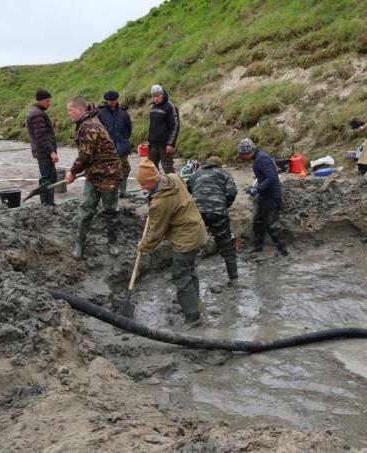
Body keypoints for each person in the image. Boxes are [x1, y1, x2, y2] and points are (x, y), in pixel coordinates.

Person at [136, 159, 208, 330]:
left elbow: (156, 233)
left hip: (186, 238)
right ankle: (194, 303)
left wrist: (143, 246)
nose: (142, 188)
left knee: (180, 274)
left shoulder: (160, 203)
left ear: (150, 181)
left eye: (143, 185)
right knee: (189, 270)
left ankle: (193, 318)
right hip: (197, 229)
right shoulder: (173, 177)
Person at [65, 96, 123, 259]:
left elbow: (85, 154)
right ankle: (79, 243)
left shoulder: (89, 125)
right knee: (86, 208)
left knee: (110, 210)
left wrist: (72, 172)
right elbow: (89, 155)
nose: (69, 114)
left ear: (80, 110)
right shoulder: (85, 123)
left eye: (70, 110)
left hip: (109, 174)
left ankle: (113, 242)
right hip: (93, 173)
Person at [187, 156, 238, 285]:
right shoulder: (224, 173)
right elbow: (232, 192)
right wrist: (224, 205)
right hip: (218, 212)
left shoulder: (195, 174)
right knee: (226, 244)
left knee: (190, 245)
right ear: (218, 166)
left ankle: (187, 278)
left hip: (197, 213)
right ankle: (234, 279)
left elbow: (187, 191)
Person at [237, 138, 288, 256]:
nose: (241, 158)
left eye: (242, 155)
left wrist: (257, 189)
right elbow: (264, 178)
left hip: (272, 197)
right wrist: (254, 187)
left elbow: (272, 178)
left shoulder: (262, 159)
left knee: (272, 224)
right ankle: (258, 247)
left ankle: (283, 251)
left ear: (247, 152)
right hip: (264, 196)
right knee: (258, 221)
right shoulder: (258, 157)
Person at [26, 88, 58, 206]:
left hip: (44, 151)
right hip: (44, 152)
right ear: (40, 101)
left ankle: (49, 202)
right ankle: (46, 204)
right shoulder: (37, 114)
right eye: (47, 101)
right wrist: (52, 152)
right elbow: (42, 136)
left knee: (51, 177)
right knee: (46, 178)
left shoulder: (37, 112)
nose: (49, 103)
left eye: (49, 100)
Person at [98, 90, 132, 198]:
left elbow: (129, 129)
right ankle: (109, 192)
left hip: (122, 146)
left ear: (117, 100)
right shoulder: (101, 114)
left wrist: (123, 140)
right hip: (107, 148)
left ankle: (123, 191)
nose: (112, 102)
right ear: (107, 101)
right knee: (108, 170)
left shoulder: (123, 113)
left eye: (114, 100)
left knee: (125, 167)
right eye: (110, 100)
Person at [147, 84, 179, 174]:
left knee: (168, 168)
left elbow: (175, 125)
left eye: (157, 96)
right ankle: (156, 187)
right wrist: (149, 141)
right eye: (154, 96)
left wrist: (170, 143)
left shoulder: (170, 107)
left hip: (165, 145)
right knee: (151, 167)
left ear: (162, 95)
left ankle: (174, 186)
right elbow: (152, 126)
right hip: (153, 144)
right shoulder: (153, 108)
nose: (155, 98)